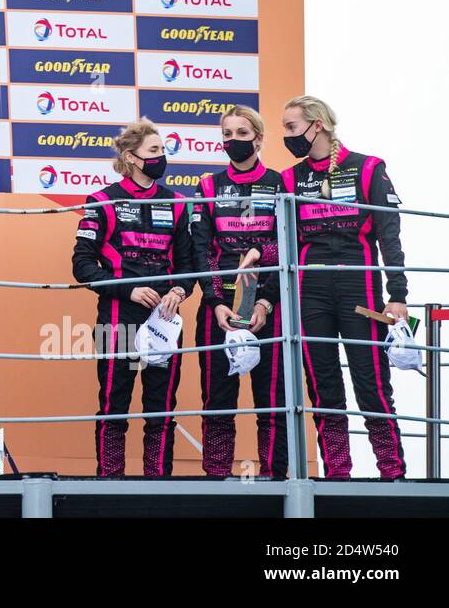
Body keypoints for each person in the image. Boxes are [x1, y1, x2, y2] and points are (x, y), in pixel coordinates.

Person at [280, 95, 406, 480]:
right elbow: (280, 239)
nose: (286, 135)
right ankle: (337, 474)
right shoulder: (289, 178)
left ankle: (393, 473)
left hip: (359, 285)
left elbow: (390, 233)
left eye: (291, 127)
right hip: (311, 287)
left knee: (371, 382)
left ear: (316, 125)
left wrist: (398, 294)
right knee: (323, 385)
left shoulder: (368, 167)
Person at [72, 118, 195, 477]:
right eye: (154, 151)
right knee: (114, 401)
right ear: (131, 157)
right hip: (117, 314)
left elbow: (190, 266)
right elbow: (82, 265)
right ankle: (110, 481)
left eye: (163, 150)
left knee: (160, 405)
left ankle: (158, 483)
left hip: (163, 319)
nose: (161, 157)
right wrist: (128, 288)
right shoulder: (101, 201)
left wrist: (178, 290)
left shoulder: (177, 203)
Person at [189, 106, 287, 478]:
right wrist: (215, 303)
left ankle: (277, 478)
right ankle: (217, 480)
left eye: (242, 134)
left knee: (273, 402)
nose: (233, 141)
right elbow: (202, 249)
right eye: (227, 134)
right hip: (221, 307)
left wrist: (266, 300)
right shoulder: (208, 186)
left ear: (259, 139)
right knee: (217, 402)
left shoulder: (280, 184)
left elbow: (286, 244)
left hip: (269, 304)